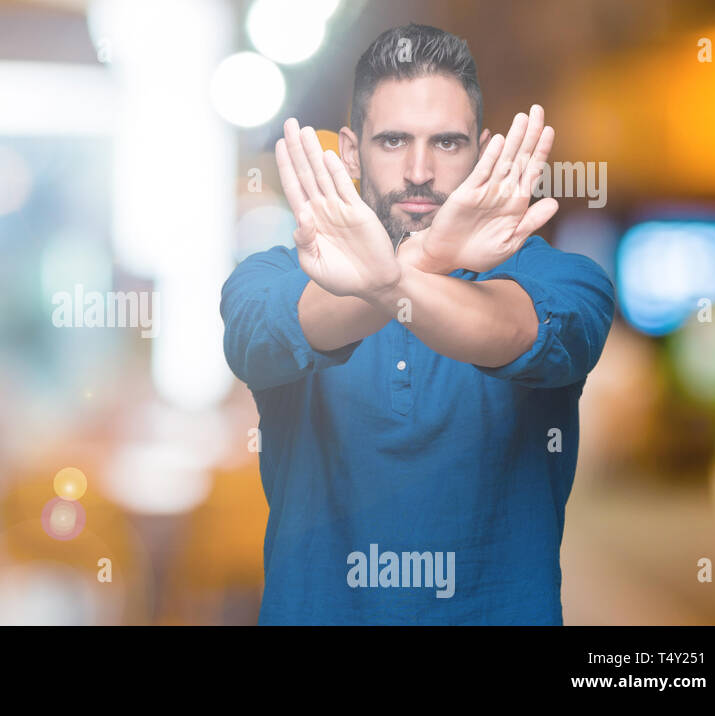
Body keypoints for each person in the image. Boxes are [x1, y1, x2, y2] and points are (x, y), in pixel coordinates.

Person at [220, 23, 615, 624]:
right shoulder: (270, 276)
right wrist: (426, 261)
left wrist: (401, 272)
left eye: (448, 143)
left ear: (480, 149)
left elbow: (518, 332)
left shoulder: (570, 280)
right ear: (352, 151)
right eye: (394, 140)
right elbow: (265, 340)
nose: (420, 170)